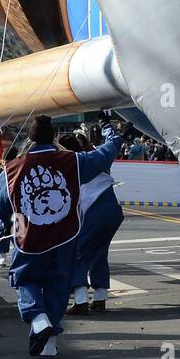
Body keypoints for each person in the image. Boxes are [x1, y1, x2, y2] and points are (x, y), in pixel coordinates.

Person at [0, 114, 120, 357]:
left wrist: (13, 219)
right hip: (64, 235)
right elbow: (103, 155)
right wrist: (113, 137)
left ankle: (39, 319)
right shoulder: (73, 160)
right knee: (57, 286)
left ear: (29, 138)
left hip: (28, 236)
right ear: (53, 136)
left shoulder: (11, 168)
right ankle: (49, 344)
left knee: (25, 279)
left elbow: (0, 202)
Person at [61, 133, 124, 315]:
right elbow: (112, 144)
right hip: (112, 211)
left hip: (93, 213)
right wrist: (108, 128)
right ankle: (100, 297)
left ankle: (81, 300)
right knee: (99, 252)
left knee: (78, 254)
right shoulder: (95, 159)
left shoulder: (70, 165)